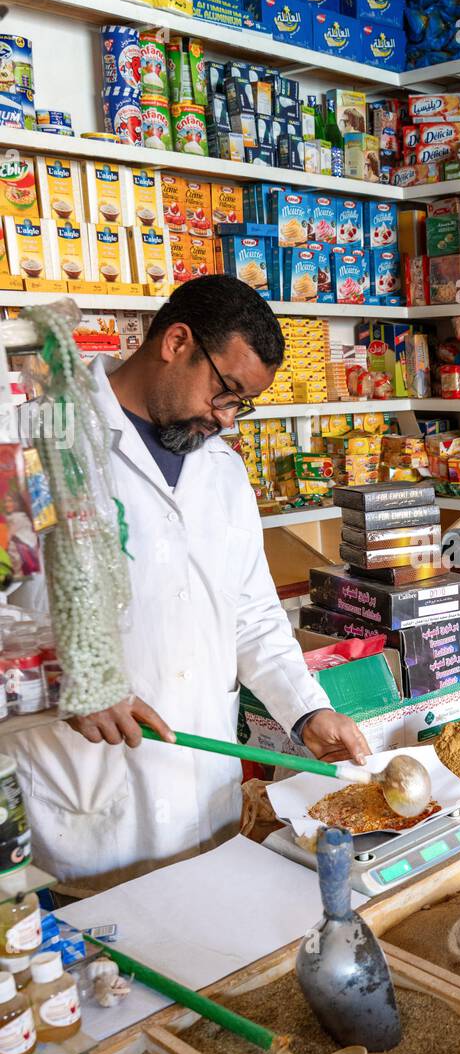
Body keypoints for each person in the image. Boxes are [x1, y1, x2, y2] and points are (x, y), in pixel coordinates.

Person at [9, 276, 369, 895]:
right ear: (177, 342)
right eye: (225, 392)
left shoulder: (223, 472)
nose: (225, 420)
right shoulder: (38, 440)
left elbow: (251, 616)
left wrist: (307, 711)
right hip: (87, 812)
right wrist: (72, 681)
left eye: (240, 406)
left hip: (208, 809)